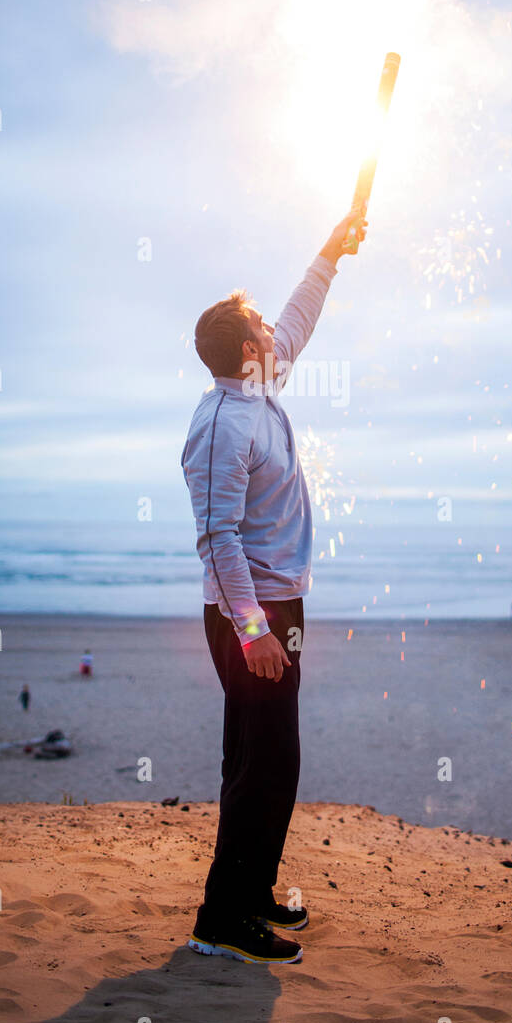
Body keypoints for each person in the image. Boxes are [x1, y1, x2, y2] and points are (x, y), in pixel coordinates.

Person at [181, 211, 366, 965]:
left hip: (271, 605)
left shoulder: (256, 384)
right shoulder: (226, 424)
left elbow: (298, 319)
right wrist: (255, 631)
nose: (273, 335)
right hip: (247, 614)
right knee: (271, 761)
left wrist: (332, 248)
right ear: (249, 351)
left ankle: (247, 893)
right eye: (261, 328)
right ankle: (222, 920)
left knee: (253, 757)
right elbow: (217, 540)